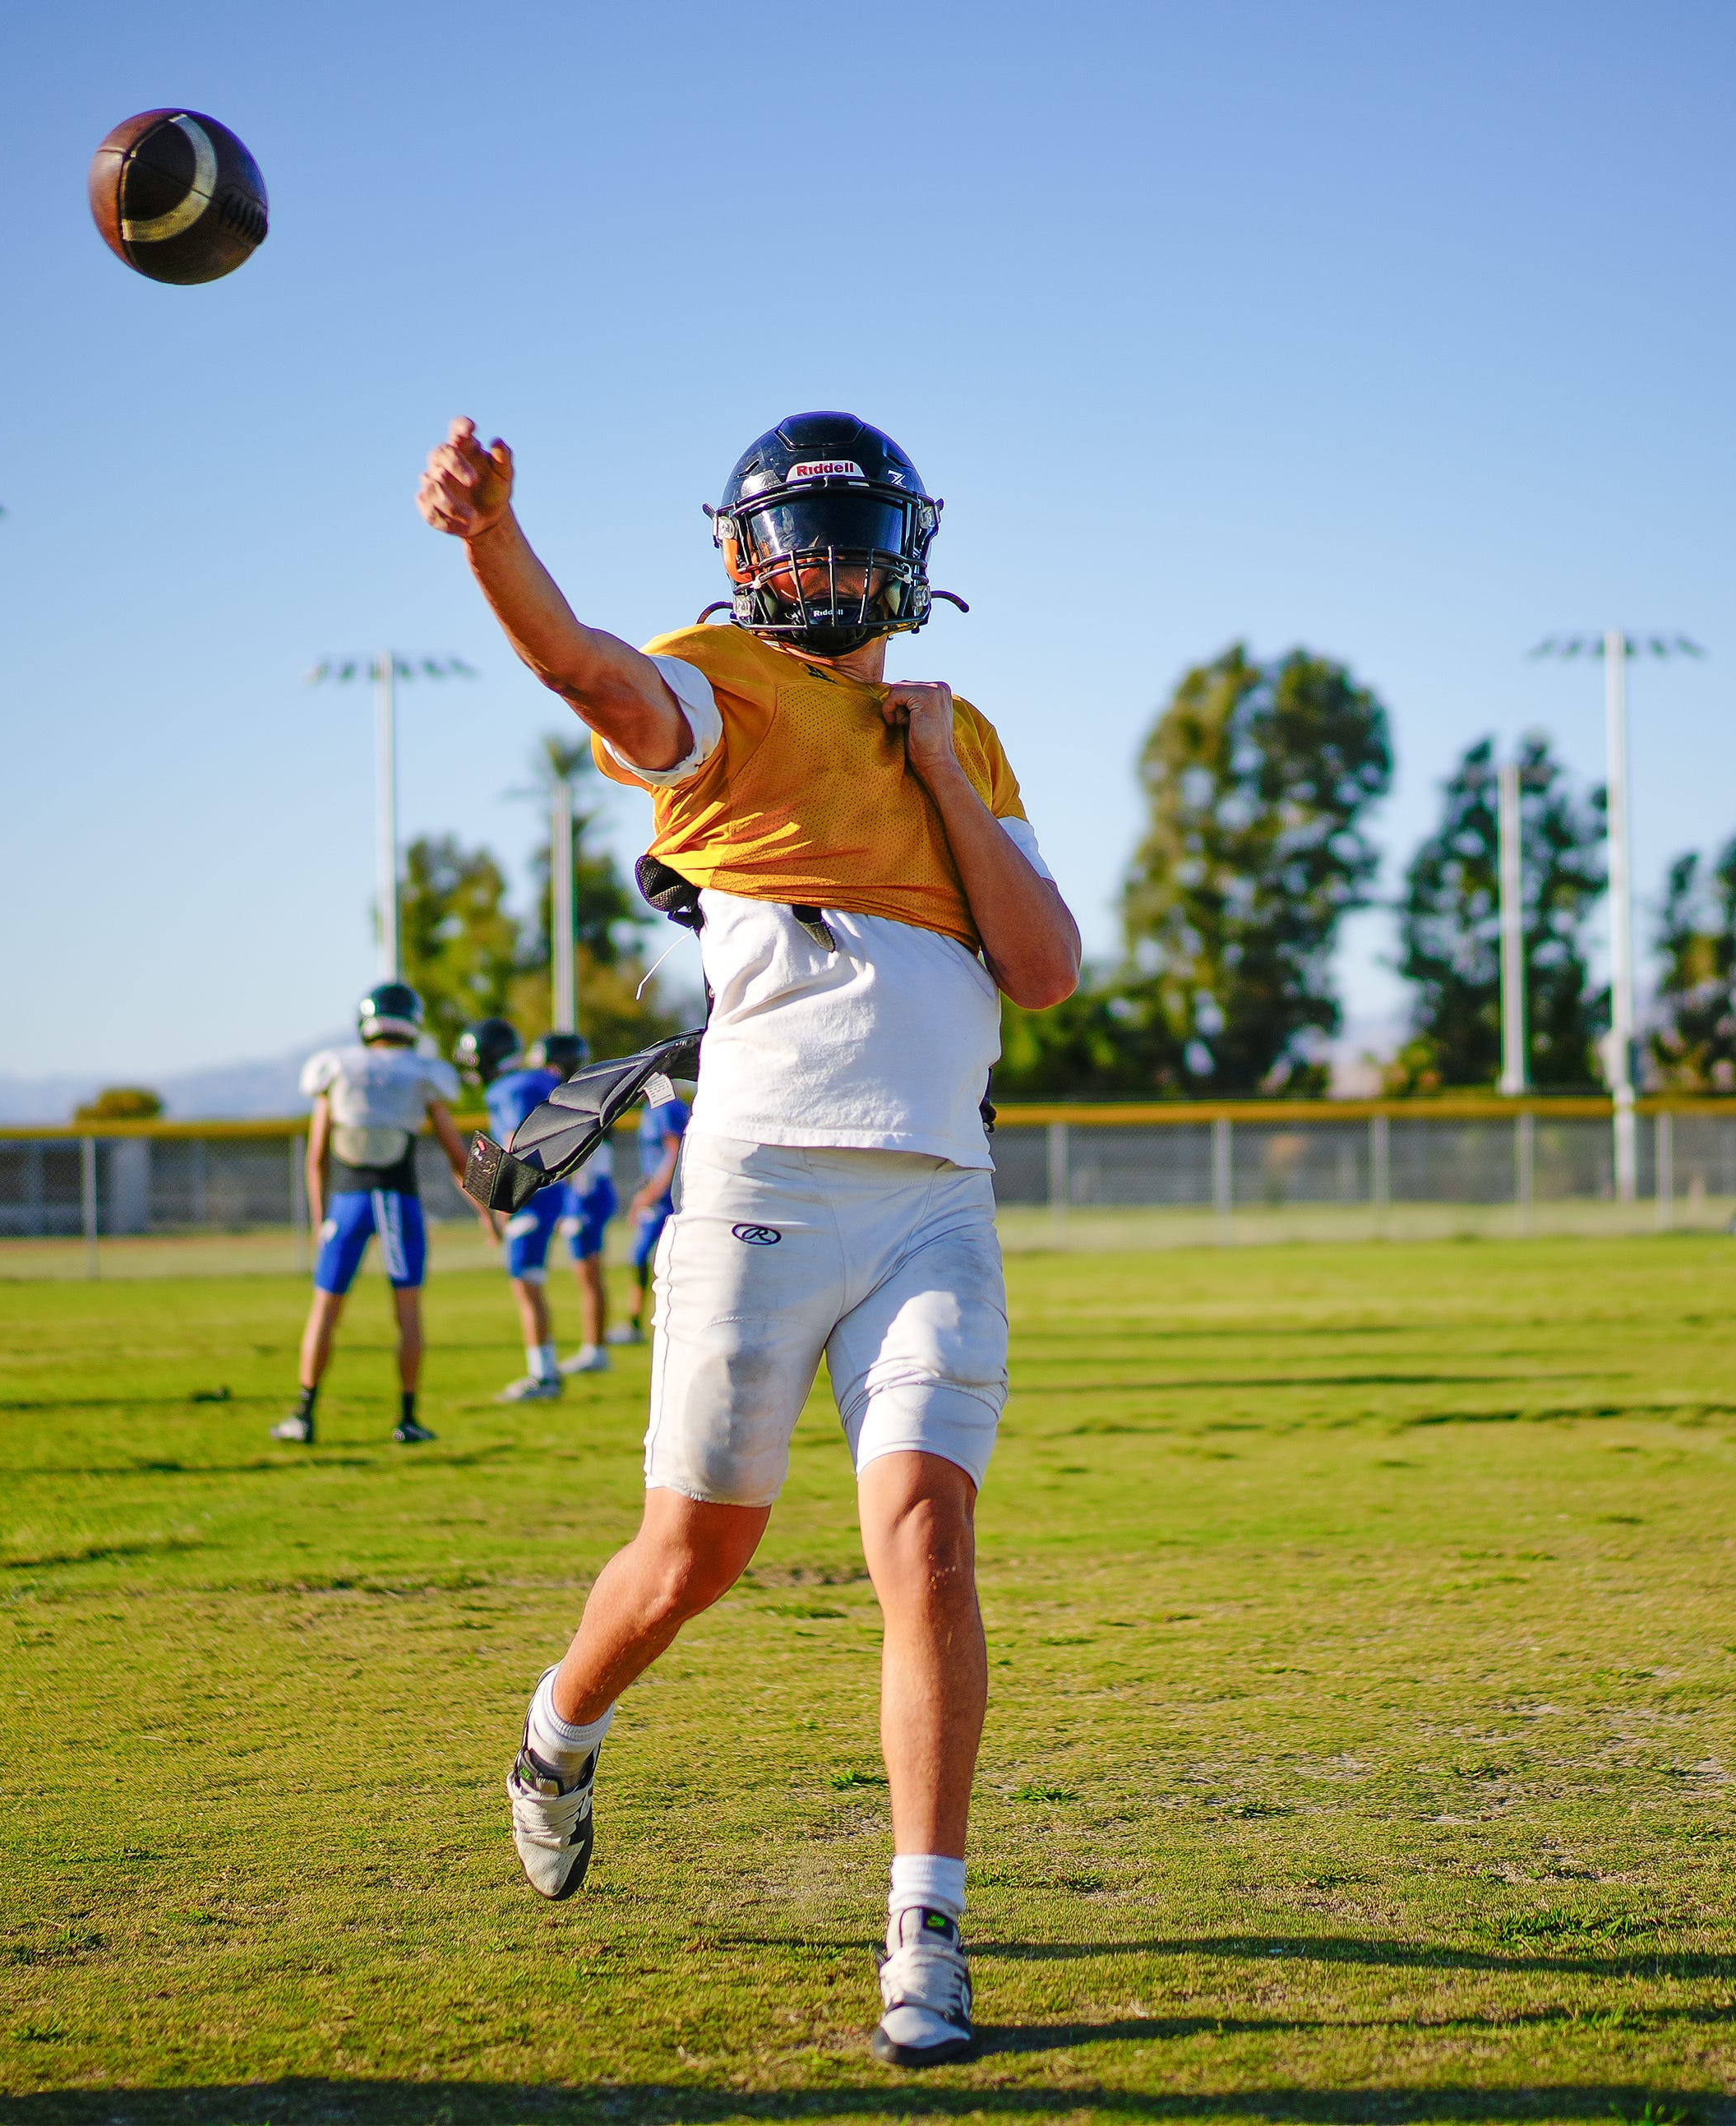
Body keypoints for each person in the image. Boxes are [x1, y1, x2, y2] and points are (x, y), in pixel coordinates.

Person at [420, 409, 1080, 2068]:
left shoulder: (966, 733)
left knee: (926, 1547)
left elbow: (1049, 966)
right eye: (807, 535)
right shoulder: (715, 679)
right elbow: (586, 675)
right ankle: (557, 1732)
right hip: (761, 1197)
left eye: (861, 534)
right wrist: (495, 540)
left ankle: (924, 1932)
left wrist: (932, 765)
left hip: (937, 1200)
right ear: (742, 554)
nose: (836, 566)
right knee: (692, 1560)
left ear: (907, 550)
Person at [281, 982, 473, 1445]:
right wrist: (488, 1213)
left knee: (325, 1310)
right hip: (396, 1200)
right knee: (406, 1312)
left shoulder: (336, 1066)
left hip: (346, 1202)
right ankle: (407, 1418)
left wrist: (318, 1218)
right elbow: (456, 1155)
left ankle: (304, 1414)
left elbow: (316, 1156)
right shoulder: (422, 1072)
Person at [483, 1031, 620, 1398]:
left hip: (536, 1195)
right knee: (533, 1282)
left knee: (528, 1283)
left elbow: (515, 1138)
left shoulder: (512, 1088)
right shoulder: (554, 1087)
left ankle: (544, 1376)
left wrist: (501, 1200)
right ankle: (549, 1370)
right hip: (553, 1194)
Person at [604, 1081, 688, 1347]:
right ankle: (641, 1321)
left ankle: (639, 1322)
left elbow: (673, 1153)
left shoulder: (668, 1109)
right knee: (646, 1258)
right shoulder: (651, 1110)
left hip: (667, 1200)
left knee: (651, 1259)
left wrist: (651, 1193)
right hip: (658, 1197)